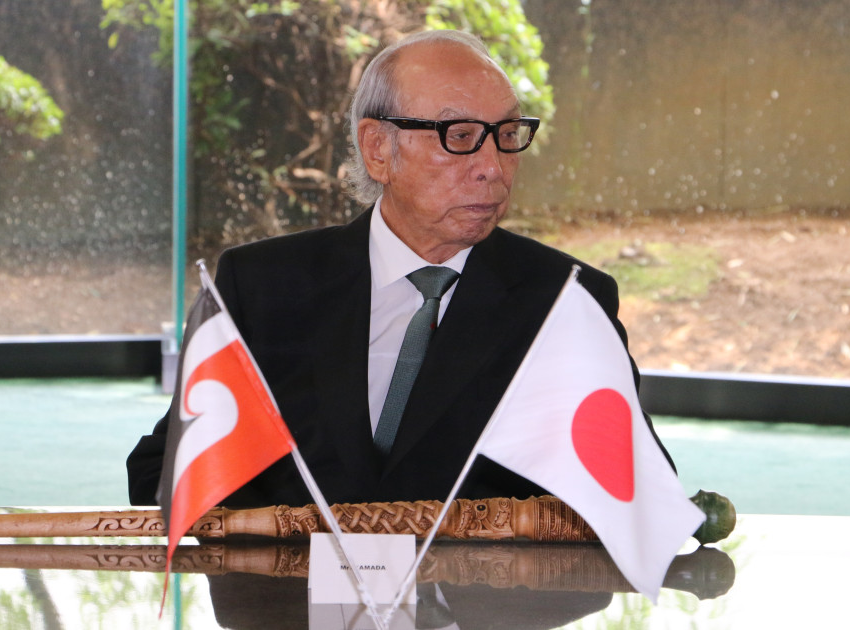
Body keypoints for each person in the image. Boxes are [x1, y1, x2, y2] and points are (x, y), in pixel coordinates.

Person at [127, 29, 672, 508]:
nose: (493, 168)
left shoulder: (564, 303)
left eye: (508, 135)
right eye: (460, 137)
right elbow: (165, 473)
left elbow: (635, 498)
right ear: (377, 149)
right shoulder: (266, 286)